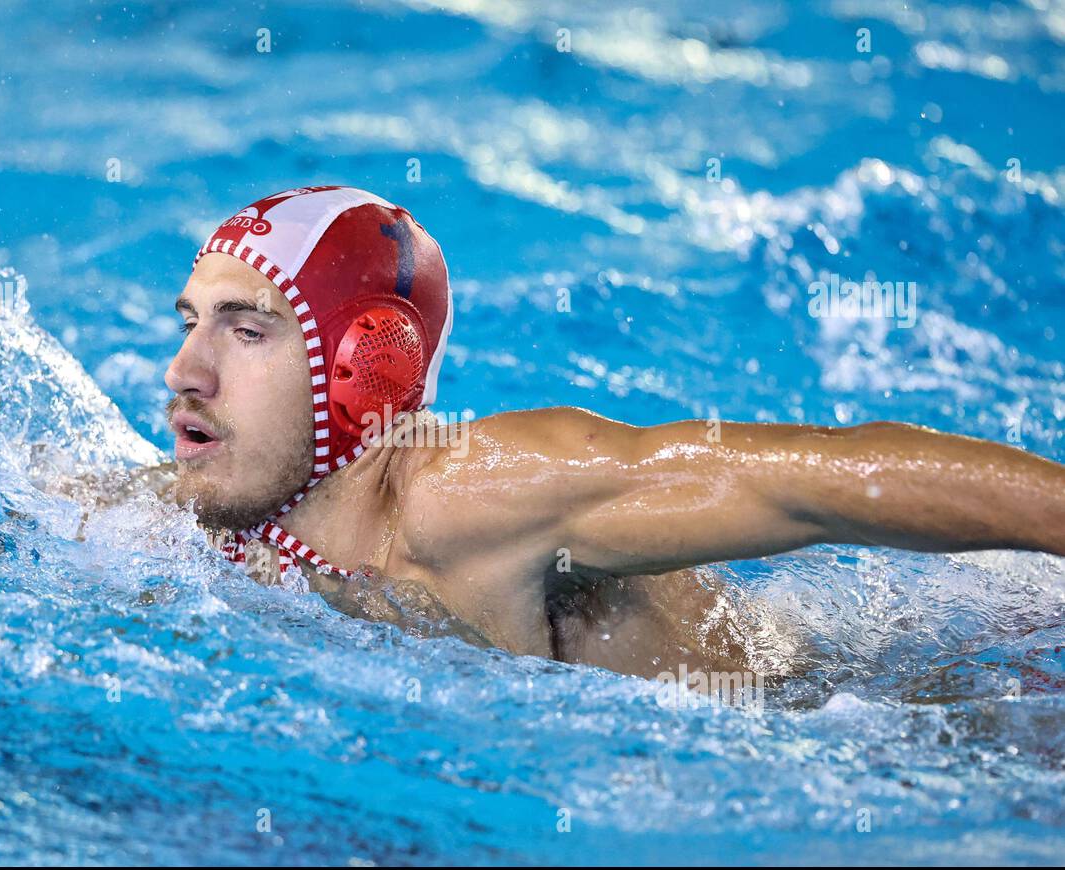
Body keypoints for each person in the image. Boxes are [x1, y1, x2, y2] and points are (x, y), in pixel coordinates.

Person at [160, 185, 1065, 678]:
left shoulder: (476, 492)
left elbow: (817, 478)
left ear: (366, 366)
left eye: (246, 331)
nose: (184, 373)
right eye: (189, 321)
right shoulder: (225, 516)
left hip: (925, 703)